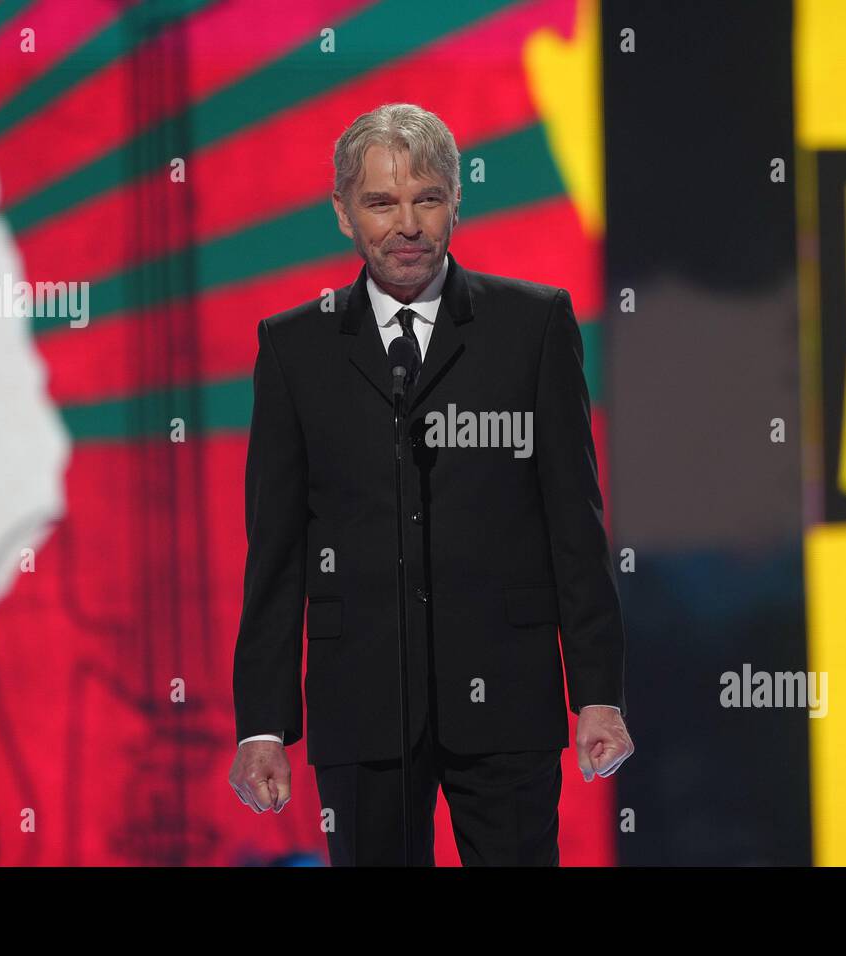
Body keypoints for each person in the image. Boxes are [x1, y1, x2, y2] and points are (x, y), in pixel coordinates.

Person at [227, 103, 632, 865]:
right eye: (381, 202)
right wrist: (263, 726)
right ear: (344, 213)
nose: (406, 224)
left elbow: (574, 526)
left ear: (455, 201)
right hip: (362, 702)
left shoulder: (533, 325)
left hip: (509, 697)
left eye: (427, 198)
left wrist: (598, 694)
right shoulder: (293, 348)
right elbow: (275, 553)